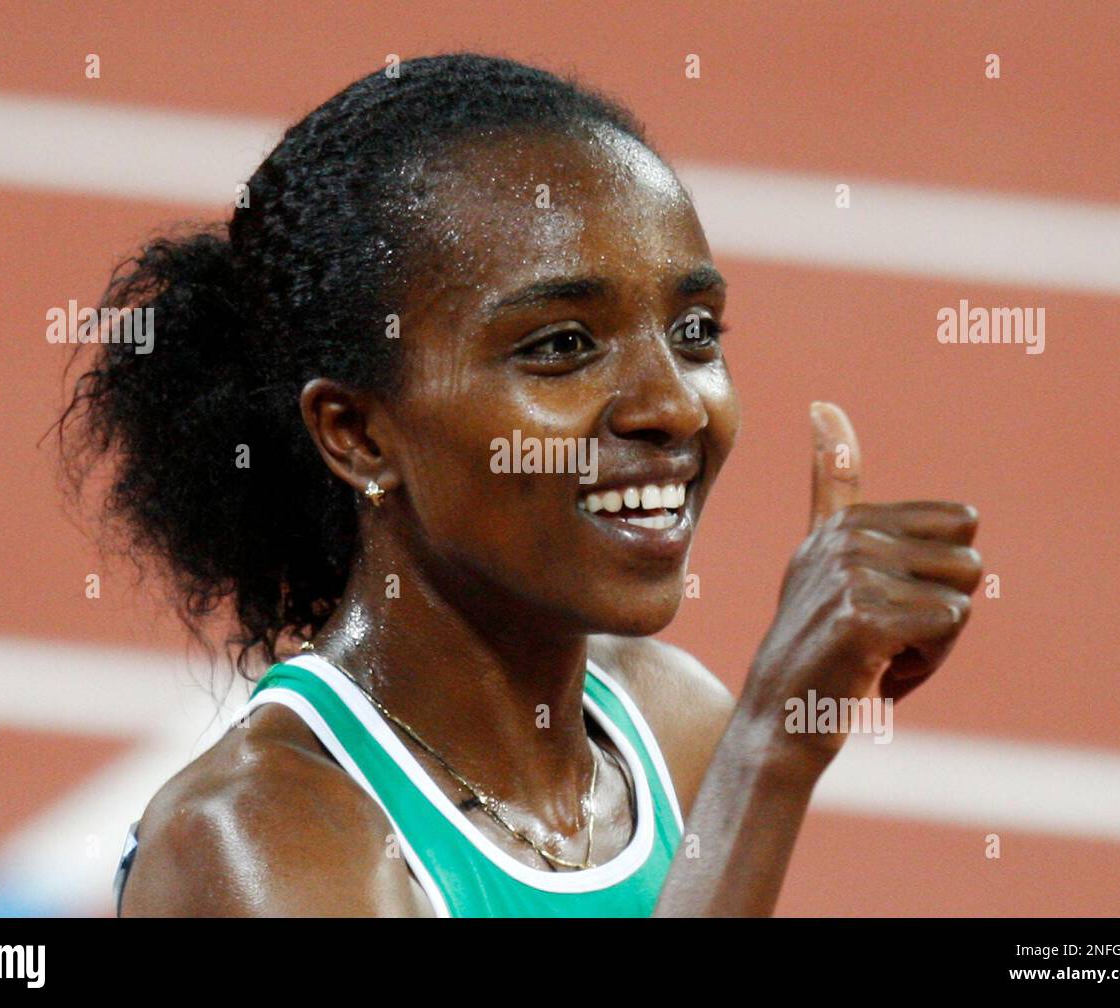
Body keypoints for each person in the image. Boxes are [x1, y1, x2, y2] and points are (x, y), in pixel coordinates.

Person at [60, 53, 982, 917]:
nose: (673, 405)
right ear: (358, 434)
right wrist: (773, 750)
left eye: (695, 331)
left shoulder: (671, 722)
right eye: (561, 347)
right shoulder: (258, 842)